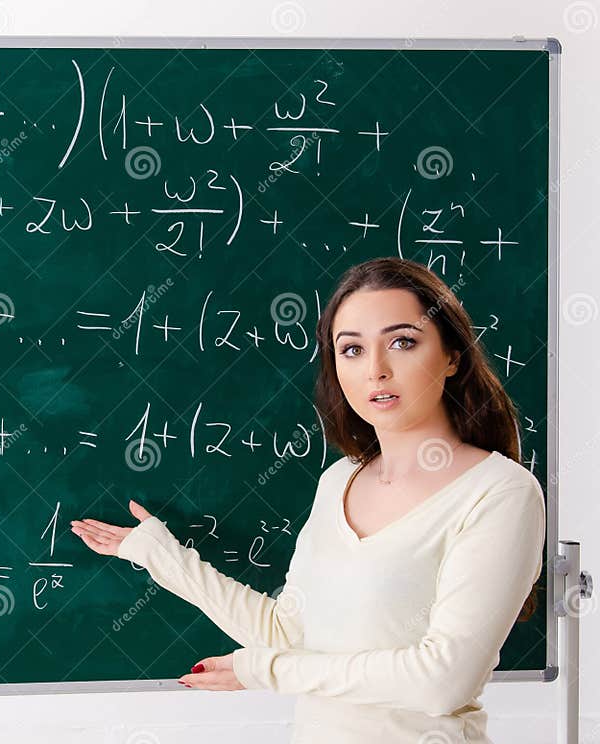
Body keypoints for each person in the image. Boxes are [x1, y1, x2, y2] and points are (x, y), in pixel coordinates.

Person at [70, 256, 545, 743]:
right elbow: (288, 632)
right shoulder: (339, 481)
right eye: (352, 350)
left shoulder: (499, 492)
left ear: (452, 356)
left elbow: (442, 682)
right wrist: (161, 557)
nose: (376, 370)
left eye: (403, 342)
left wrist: (263, 671)